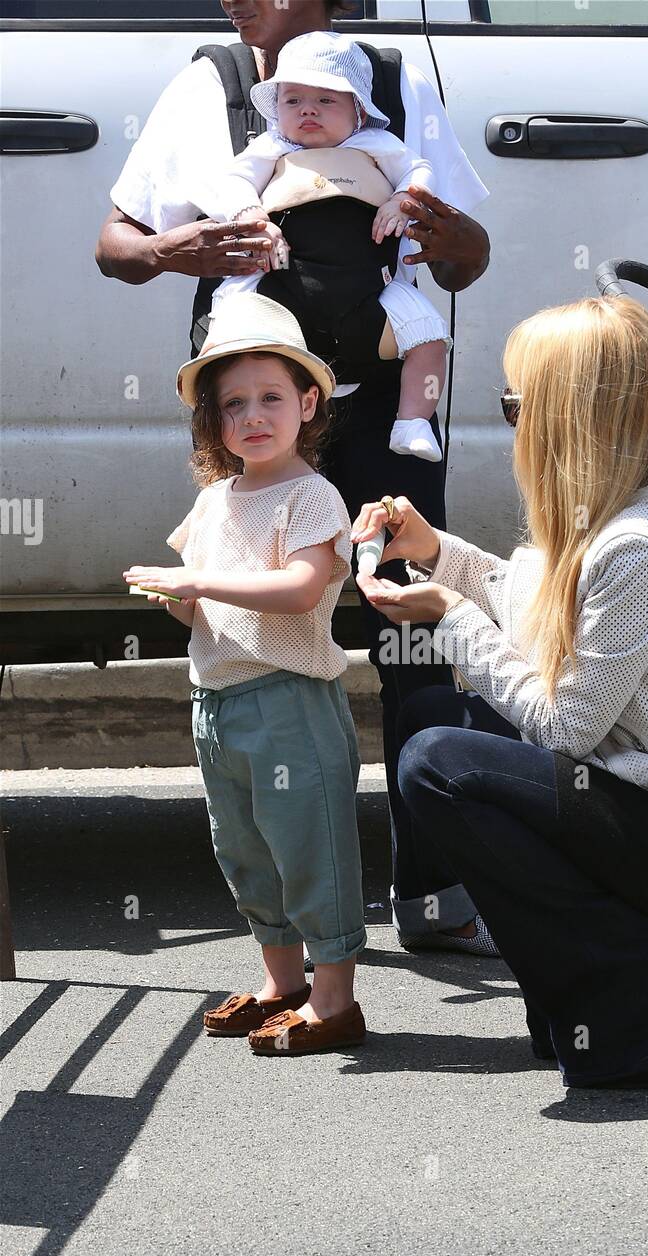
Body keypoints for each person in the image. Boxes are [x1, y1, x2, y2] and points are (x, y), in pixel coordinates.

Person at [95, 0, 491, 958]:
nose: (236, 1)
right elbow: (118, 244)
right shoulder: (211, 85)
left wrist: (437, 234)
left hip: (380, 397)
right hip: (260, 417)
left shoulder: (392, 85)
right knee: (257, 622)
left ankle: (433, 885)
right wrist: (172, 251)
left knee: (408, 620)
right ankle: (284, 899)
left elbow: (470, 257)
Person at [351, 296, 648, 1088]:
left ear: (569, 418)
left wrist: (449, 616)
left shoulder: (639, 545)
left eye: (516, 403)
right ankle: (588, 995)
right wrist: (436, 552)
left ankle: (643, 993)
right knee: (427, 714)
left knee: (438, 762)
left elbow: (567, 729)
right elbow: (532, 602)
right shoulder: (625, 516)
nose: (512, 422)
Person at [124, 294, 367, 1058]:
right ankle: (281, 983)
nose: (253, 416)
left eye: (271, 398)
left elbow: (299, 589)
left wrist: (197, 586)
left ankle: (334, 1004)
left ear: (308, 402)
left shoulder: (311, 496)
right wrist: (175, 595)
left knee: (310, 847)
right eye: (233, 404)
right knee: (246, 852)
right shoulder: (214, 500)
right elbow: (198, 608)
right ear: (213, 421)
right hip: (220, 704)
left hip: (289, 702)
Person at [196, 32, 452, 464]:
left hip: (372, 286)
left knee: (429, 335)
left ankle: (412, 421)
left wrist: (401, 200)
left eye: (326, 101)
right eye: (293, 101)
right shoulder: (272, 147)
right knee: (230, 319)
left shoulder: (378, 145)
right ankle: (219, 413)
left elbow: (421, 170)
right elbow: (232, 181)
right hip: (281, 279)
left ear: (358, 109)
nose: (308, 110)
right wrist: (251, 215)